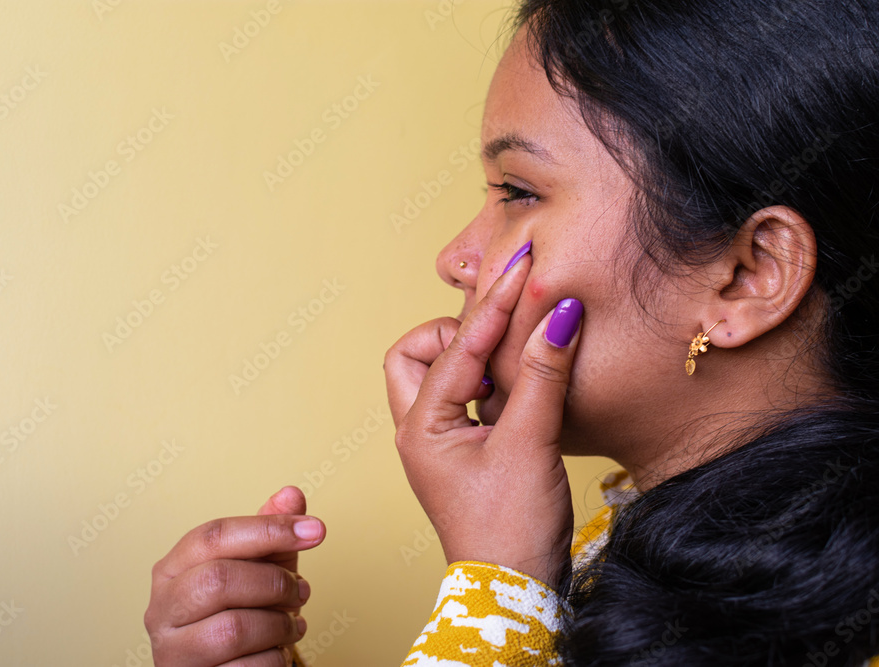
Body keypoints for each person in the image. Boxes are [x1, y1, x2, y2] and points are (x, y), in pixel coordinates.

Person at [144, 0, 879, 665]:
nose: (456, 258)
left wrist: (498, 589)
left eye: (519, 193)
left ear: (748, 275)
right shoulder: (641, 545)